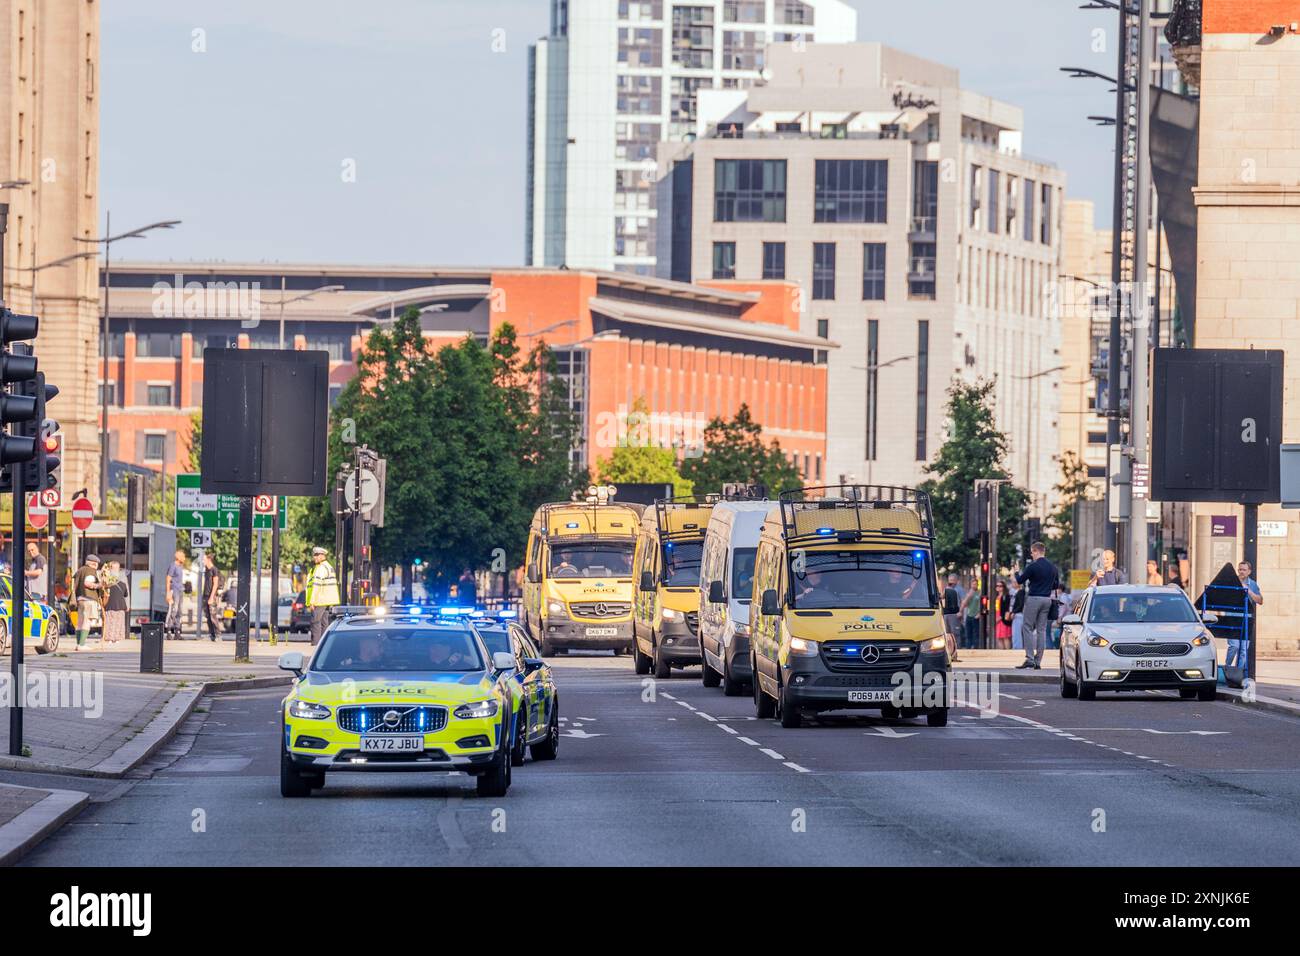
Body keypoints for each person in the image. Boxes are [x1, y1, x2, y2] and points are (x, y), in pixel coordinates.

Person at [1015, 541, 1059, 670]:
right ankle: (1038, 661)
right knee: (1041, 630)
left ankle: (1029, 659)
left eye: (1032, 552)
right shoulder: (1053, 567)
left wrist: (1017, 572)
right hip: (1047, 600)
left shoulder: (1033, 566)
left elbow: (1019, 581)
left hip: (1034, 598)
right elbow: (1056, 585)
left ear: (1036, 551)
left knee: (1027, 627)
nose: (1031, 554)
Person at [1226, 561, 1263, 674]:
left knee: (1243, 650)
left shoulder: (1252, 584)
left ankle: (1238, 673)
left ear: (1249, 572)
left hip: (1246, 620)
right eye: (1240, 569)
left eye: (1244, 570)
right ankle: (1226, 668)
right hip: (1233, 619)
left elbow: (1260, 600)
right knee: (1234, 647)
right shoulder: (1231, 582)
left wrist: (1249, 591)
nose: (1241, 572)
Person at [305, 546, 340, 646]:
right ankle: (324, 643)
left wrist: (312, 601)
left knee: (315, 621)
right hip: (328, 600)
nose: (314, 557)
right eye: (314, 555)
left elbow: (316, 585)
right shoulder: (329, 566)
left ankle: (316, 643)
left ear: (322, 556)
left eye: (316, 555)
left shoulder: (320, 568)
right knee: (324, 622)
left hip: (320, 599)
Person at [71, 553, 103, 651]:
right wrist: (99, 585)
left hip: (80, 599)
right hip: (89, 599)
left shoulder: (80, 570)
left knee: (80, 622)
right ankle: (82, 644)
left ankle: (78, 644)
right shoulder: (90, 571)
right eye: (96, 564)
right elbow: (87, 583)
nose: (97, 566)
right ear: (93, 564)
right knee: (87, 621)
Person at [102, 561, 129, 645]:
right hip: (119, 604)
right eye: (114, 568)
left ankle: (110, 638)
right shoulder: (120, 582)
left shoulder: (106, 582)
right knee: (117, 622)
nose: (116, 570)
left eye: (117, 568)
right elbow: (126, 594)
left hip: (111, 604)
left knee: (111, 622)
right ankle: (115, 638)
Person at [164, 549, 187, 637]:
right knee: (174, 610)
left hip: (180, 590)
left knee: (180, 611)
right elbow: (168, 579)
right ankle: (169, 630)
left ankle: (177, 631)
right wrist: (168, 592)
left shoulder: (180, 566)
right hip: (174, 590)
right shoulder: (173, 566)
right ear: (179, 557)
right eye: (183, 557)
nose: (184, 559)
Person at [941, 574, 964, 659]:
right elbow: (942, 597)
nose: (951, 581)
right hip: (947, 613)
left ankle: (957, 652)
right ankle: (949, 652)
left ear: (956, 580)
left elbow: (963, 601)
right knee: (947, 633)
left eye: (953, 580)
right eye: (950, 579)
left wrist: (960, 611)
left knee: (955, 633)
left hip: (955, 613)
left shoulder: (959, 589)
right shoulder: (947, 589)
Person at [203, 553, 223, 642]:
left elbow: (215, 584)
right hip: (206, 595)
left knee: (213, 616)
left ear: (208, 560)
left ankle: (218, 635)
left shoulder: (214, 570)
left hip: (212, 596)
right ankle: (212, 634)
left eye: (204, 559)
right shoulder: (206, 570)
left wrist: (211, 597)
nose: (203, 561)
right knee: (208, 616)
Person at [960, 578, 982, 649]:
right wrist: (969, 596)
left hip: (976, 616)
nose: (974, 586)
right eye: (973, 584)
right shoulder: (968, 593)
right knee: (968, 633)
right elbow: (964, 604)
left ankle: (976, 647)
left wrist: (979, 613)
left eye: (975, 584)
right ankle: (968, 648)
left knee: (976, 634)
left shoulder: (979, 593)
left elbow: (981, 604)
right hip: (969, 615)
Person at [994, 580, 1013, 649]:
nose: (998, 587)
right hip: (997, 618)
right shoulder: (996, 596)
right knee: (999, 637)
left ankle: (1007, 653)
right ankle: (1001, 653)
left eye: (1000, 586)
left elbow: (1006, 608)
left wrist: (1000, 617)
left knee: (1005, 637)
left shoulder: (1006, 596)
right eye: (997, 586)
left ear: (1004, 587)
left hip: (1003, 619)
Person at [1008, 579, 1025, 650]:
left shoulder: (1021, 592)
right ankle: (1017, 647)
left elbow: (1021, 605)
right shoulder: (1016, 592)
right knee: (1016, 633)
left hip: (1018, 615)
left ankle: (1017, 648)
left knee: (1016, 633)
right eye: (1013, 582)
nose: (1013, 584)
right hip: (1017, 614)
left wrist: (1014, 612)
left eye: (1015, 582)